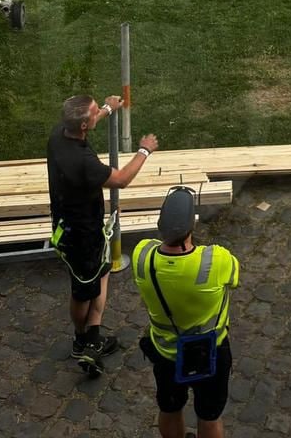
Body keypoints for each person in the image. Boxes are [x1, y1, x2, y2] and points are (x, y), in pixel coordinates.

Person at [47, 94, 160, 375]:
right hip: (82, 235)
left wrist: (110, 108)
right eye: (96, 112)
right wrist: (144, 150)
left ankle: (92, 333)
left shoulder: (58, 136)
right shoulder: (83, 162)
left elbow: (91, 118)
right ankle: (82, 339)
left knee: (103, 271)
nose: (99, 113)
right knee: (83, 290)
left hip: (70, 225)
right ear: (84, 126)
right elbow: (121, 179)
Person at [133, 186, 241, 438]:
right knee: (210, 416)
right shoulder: (216, 259)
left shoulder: (142, 255)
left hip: (165, 353)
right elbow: (235, 279)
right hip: (211, 352)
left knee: (169, 408)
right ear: (192, 224)